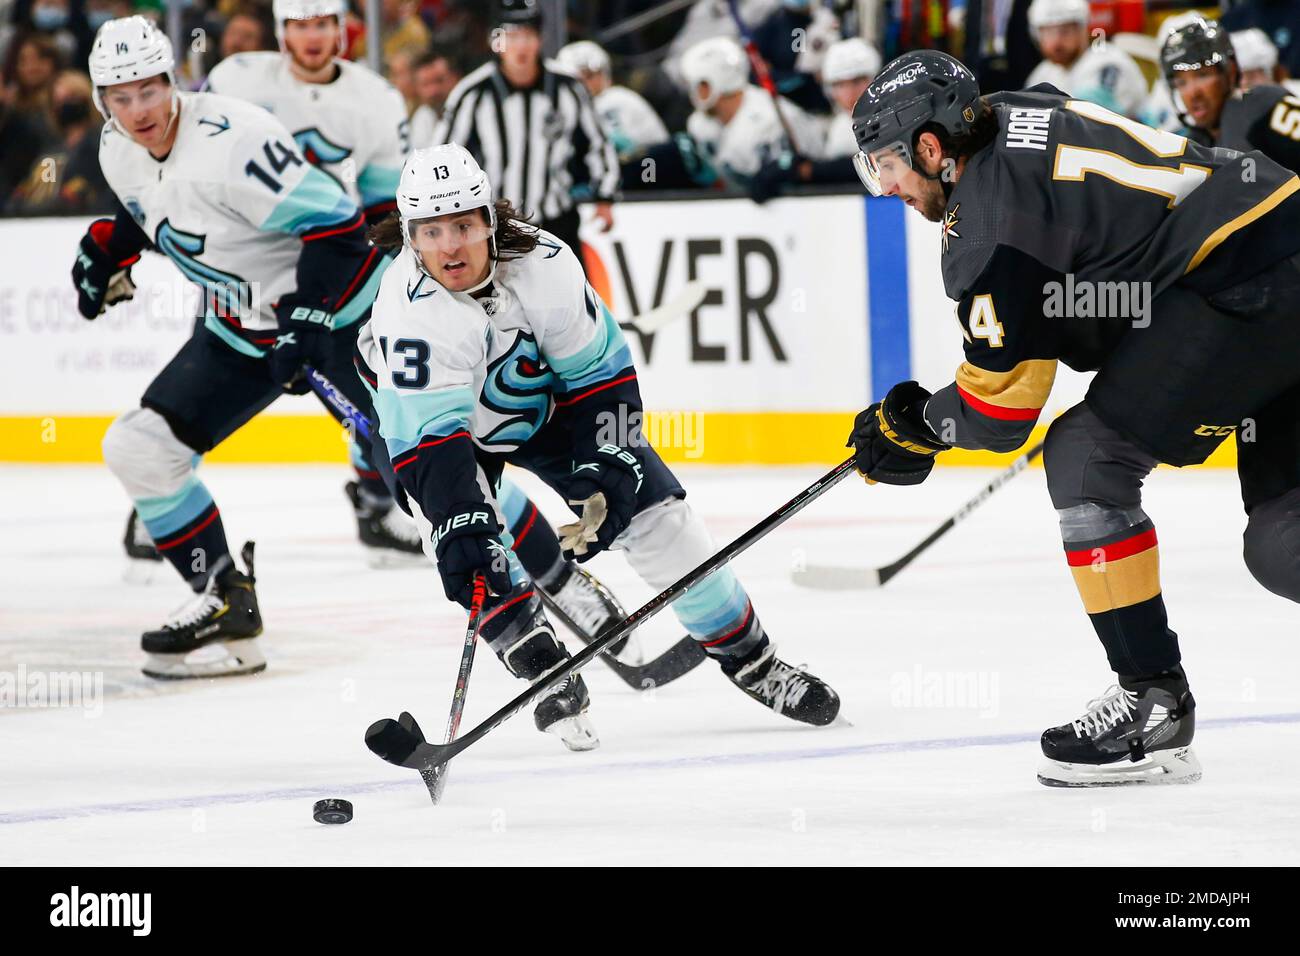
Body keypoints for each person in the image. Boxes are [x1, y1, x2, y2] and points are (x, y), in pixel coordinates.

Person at [847, 50, 1300, 787]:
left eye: (889, 164)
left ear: (932, 147)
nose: (888, 186)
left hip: (1246, 283)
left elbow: (998, 416)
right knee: (1282, 541)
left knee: (1087, 458)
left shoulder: (989, 220)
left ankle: (1153, 698)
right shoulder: (1019, 105)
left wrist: (917, 425)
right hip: (1274, 243)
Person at [358, 144, 842, 747]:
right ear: (409, 237)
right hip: (438, 430)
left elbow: (600, 379)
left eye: (462, 224)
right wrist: (462, 525)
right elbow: (434, 445)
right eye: (431, 232)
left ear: (489, 217)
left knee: (659, 519)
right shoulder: (411, 315)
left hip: (548, 406)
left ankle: (754, 661)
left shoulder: (545, 262)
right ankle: (543, 668)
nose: (450, 247)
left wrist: (609, 461)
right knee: (464, 545)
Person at [435, 0, 618, 257]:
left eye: (527, 35)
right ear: (496, 42)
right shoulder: (472, 93)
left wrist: (605, 196)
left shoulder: (567, 87)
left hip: (556, 221)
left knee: (569, 295)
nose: (520, 45)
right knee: (498, 297)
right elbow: (445, 154)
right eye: (511, 36)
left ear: (540, 39)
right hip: (495, 224)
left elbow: (596, 143)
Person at [680, 35, 826, 193]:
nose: (694, 92)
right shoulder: (699, 124)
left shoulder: (769, 119)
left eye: (700, 85)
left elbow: (796, 173)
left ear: (719, 82)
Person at [1162, 16, 1300, 171]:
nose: (1193, 93)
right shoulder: (1192, 145)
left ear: (1231, 71)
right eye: (1181, 83)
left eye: (1202, 75)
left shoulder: (1263, 104)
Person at [6, 68, 110, 213]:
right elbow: (25, 194)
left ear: (87, 99)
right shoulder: (50, 151)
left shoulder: (104, 142)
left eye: (71, 97)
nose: (65, 105)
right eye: (58, 101)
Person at [1023, 0, 1148, 118]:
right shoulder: (1042, 73)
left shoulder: (1107, 62)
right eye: (1048, 33)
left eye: (1065, 31)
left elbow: (1094, 125)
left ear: (1082, 29)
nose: (1056, 41)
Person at [556, 39, 669, 162]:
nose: (584, 84)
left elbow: (626, 151)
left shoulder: (615, 98)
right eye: (577, 80)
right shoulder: (565, 110)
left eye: (590, 76)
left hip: (648, 167)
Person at [408, 48, 462, 150]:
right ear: (416, 88)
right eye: (426, 84)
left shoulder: (472, 109)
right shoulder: (422, 118)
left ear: (455, 78)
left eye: (439, 81)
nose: (434, 91)